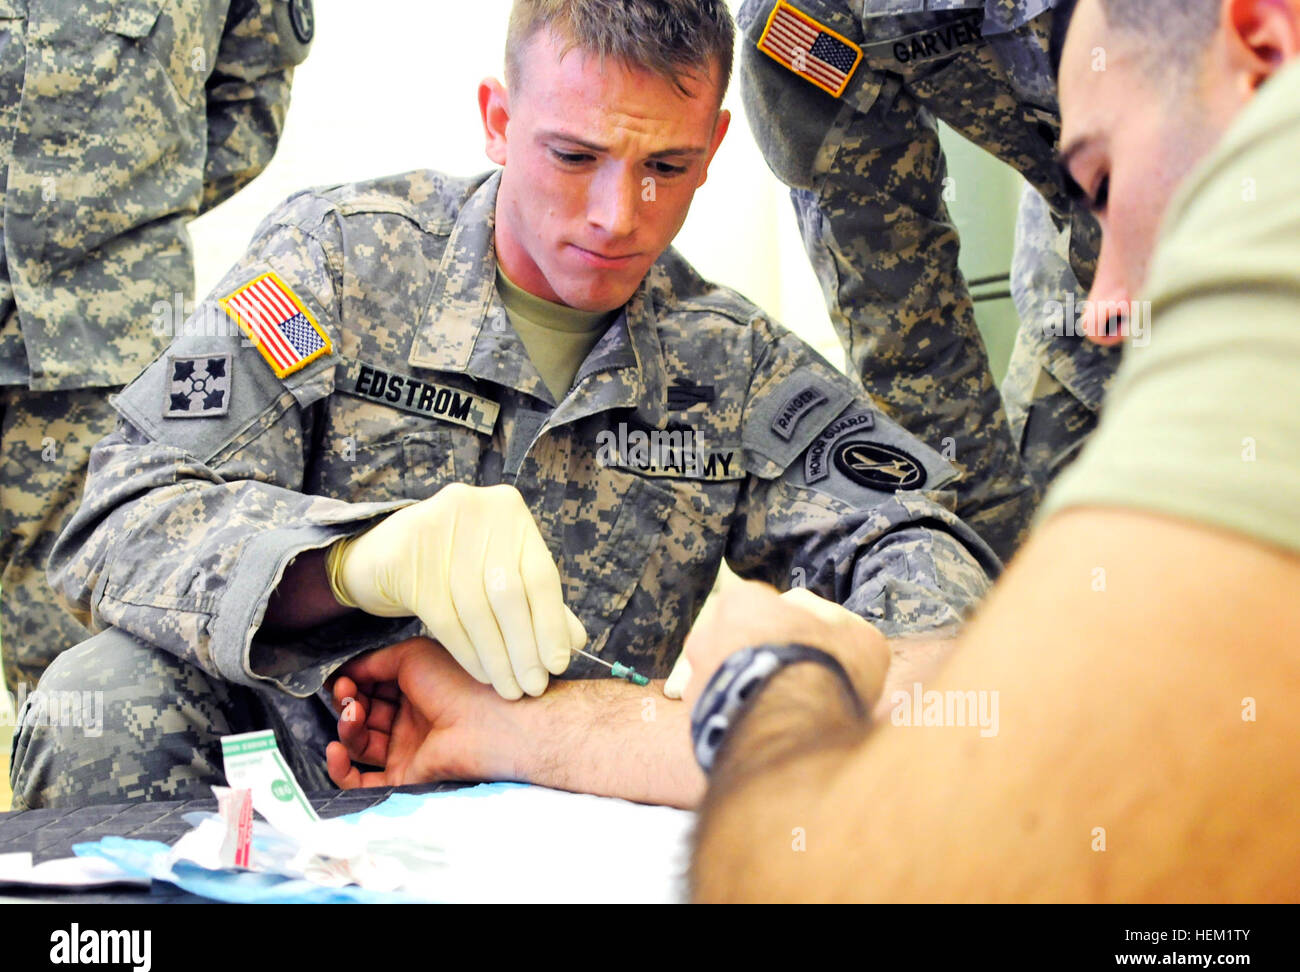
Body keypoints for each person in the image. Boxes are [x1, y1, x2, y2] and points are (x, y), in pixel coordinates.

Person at [10, 0, 999, 811]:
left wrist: (836, 656)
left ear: (713, 146)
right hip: (307, 799)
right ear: (498, 119)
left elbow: (921, 543)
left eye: (664, 167)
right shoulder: (339, 265)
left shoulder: (731, 361)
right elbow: (122, 509)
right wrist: (350, 560)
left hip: (568, 803)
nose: (617, 215)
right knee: (103, 694)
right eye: (574, 156)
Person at [683, 0, 1300, 901]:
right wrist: (987, 670)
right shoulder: (811, 18)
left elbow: (853, 888)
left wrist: (768, 686)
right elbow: (910, 345)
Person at [735, 0, 1126, 563]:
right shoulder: (816, 14)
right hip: (1081, 294)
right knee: (1037, 552)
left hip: (1243, 236)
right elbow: (906, 339)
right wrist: (981, 572)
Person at [0, 0, 313, 695]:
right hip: (95, 322)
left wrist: (123, 217)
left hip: (98, 333)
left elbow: (250, 96)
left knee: (82, 674)